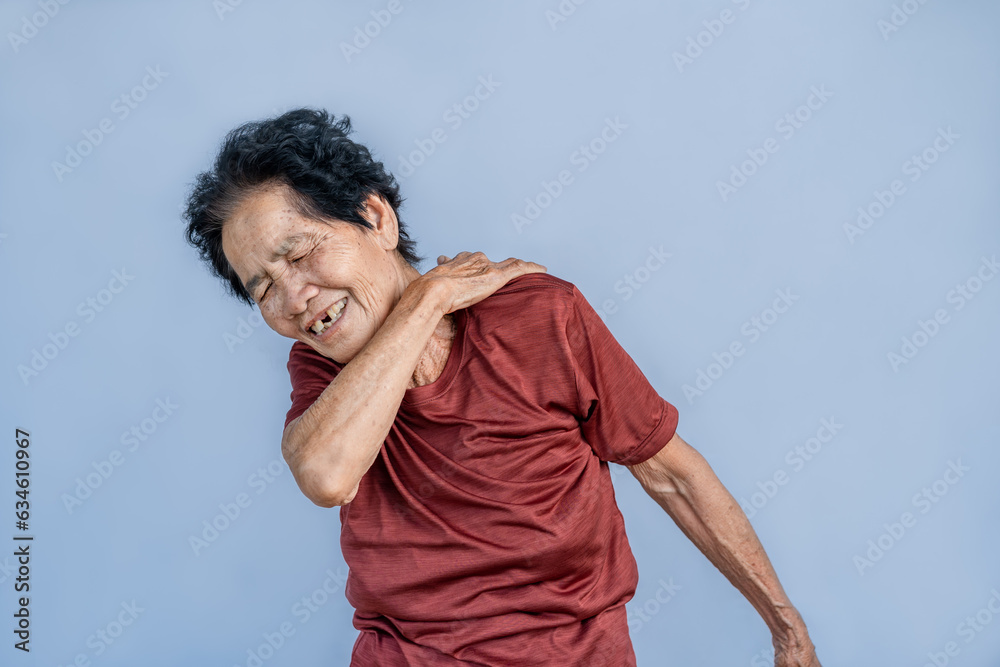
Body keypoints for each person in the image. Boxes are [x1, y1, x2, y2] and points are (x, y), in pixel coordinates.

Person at [183, 108, 822, 666]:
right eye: (261, 286)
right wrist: (426, 298)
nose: (293, 298)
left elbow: (672, 474)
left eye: (298, 254)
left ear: (376, 218)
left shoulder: (540, 317)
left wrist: (786, 628)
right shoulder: (321, 367)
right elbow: (325, 475)